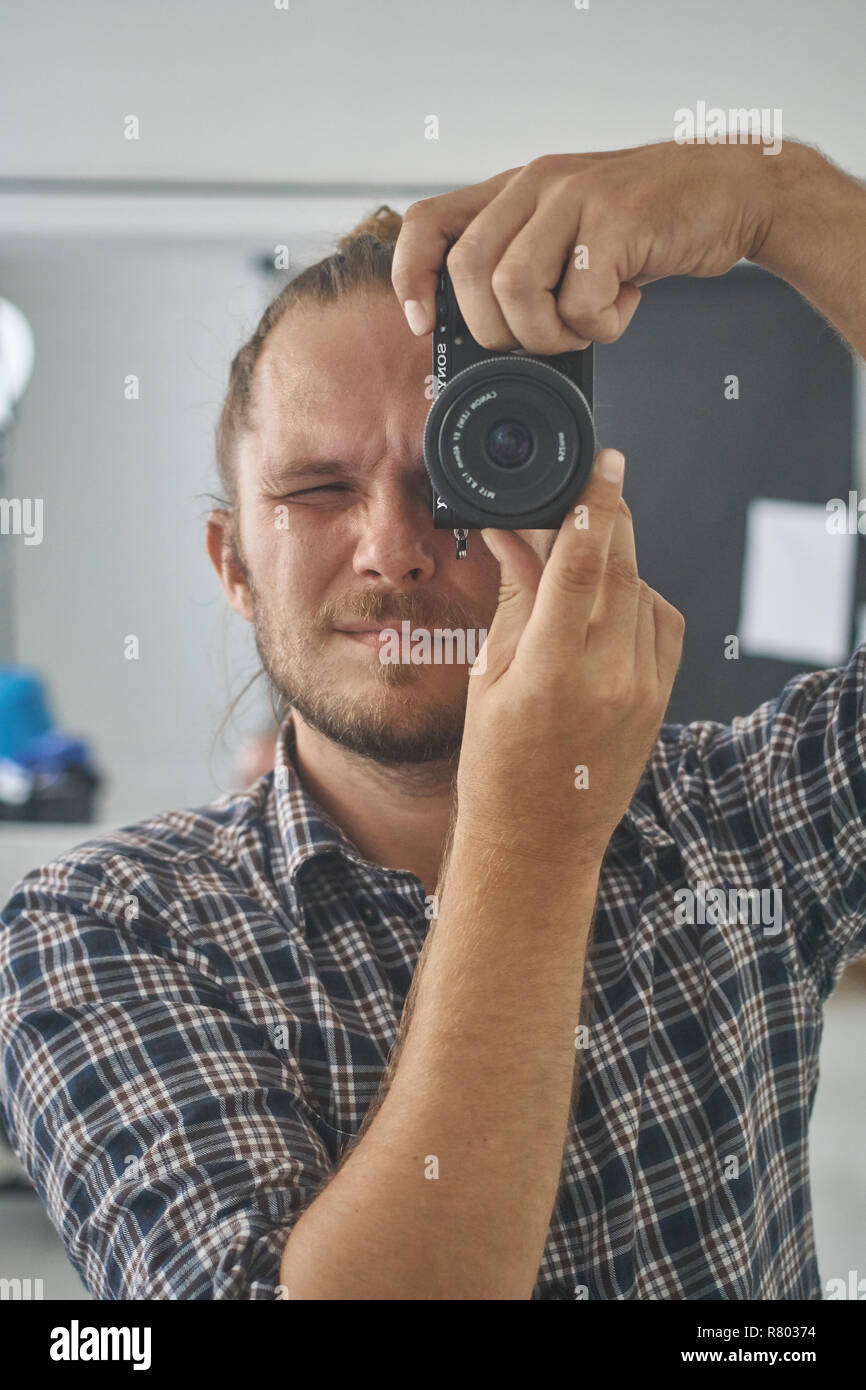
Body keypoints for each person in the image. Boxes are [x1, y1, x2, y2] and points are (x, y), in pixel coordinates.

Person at [2, 137, 865, 1301]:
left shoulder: (747, 814)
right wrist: (530, 841)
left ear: (566, 498)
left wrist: (784, 202)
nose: (392, 552)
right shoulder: (101, 932)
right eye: (317, 491)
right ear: (233, 564)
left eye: (467, 468)